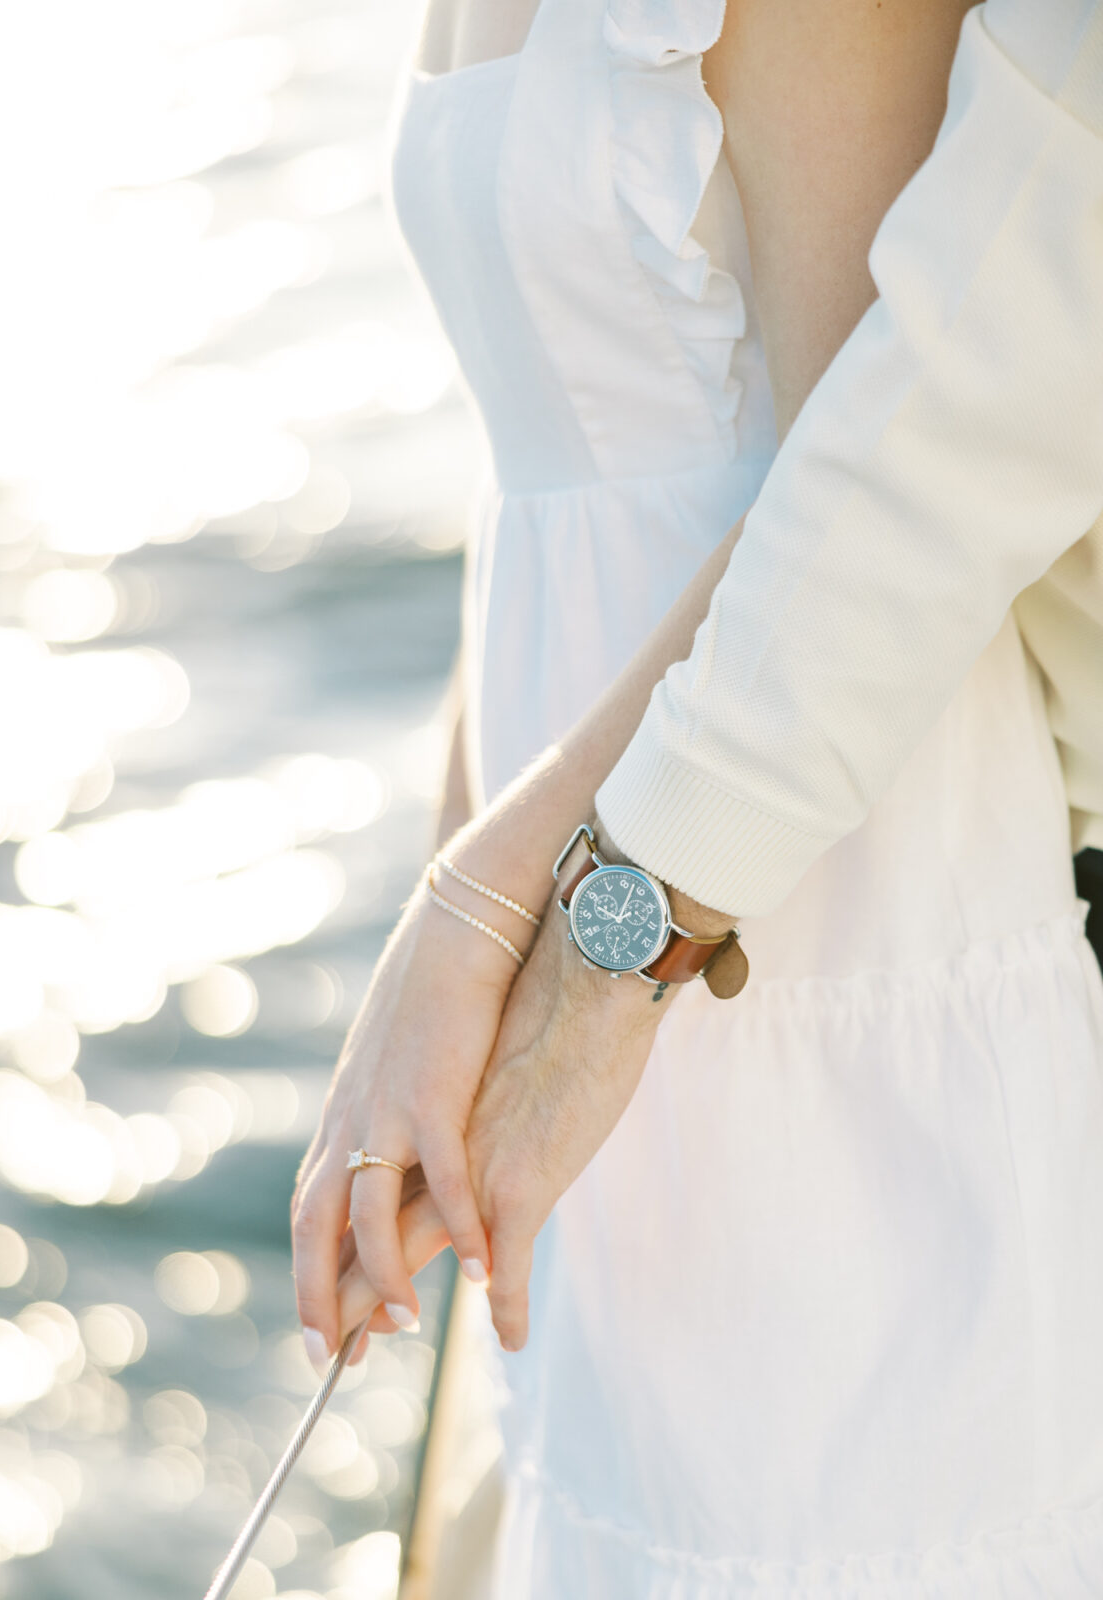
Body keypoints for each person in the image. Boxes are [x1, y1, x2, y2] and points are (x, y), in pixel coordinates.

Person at [292, 0, 1103, 1591]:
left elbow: (870, 468)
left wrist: (503, 903)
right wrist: (447, 951)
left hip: (837, 978)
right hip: (602, 1030)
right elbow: (544, 481)